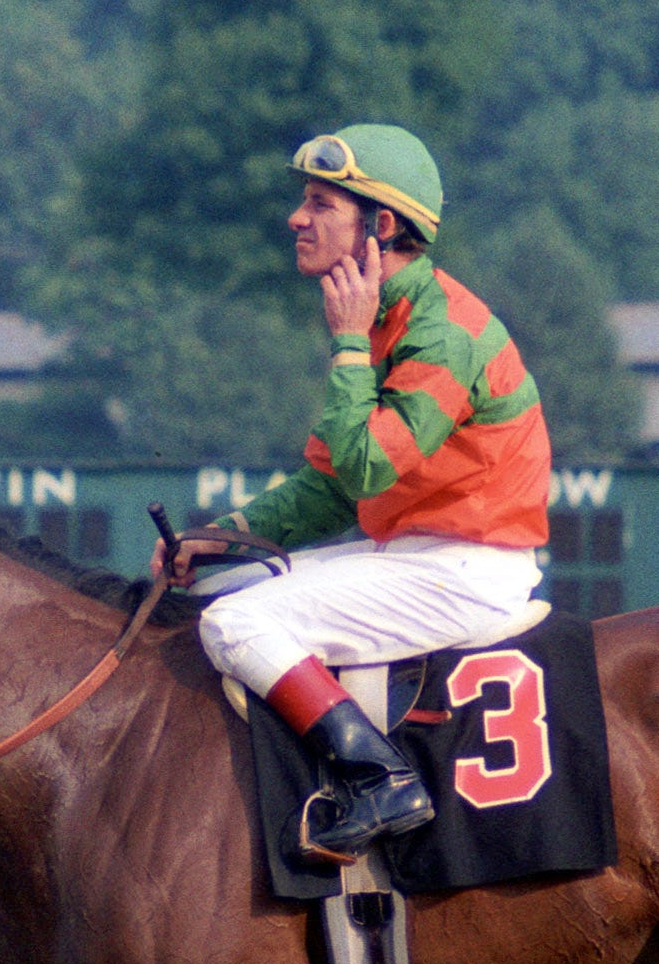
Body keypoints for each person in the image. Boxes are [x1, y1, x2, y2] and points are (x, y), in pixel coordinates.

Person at [155, 123, 552, 862]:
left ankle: (379, 778)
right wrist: (219, 536)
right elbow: (330, 490)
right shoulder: (382, 317)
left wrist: (345, 341)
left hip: (466, 572)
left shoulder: (440, 332)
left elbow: (368, 467)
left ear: (382, 224)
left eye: (318, 203)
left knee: (234, 626)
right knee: (220, 591)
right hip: (409, 555)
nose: (294, 219)